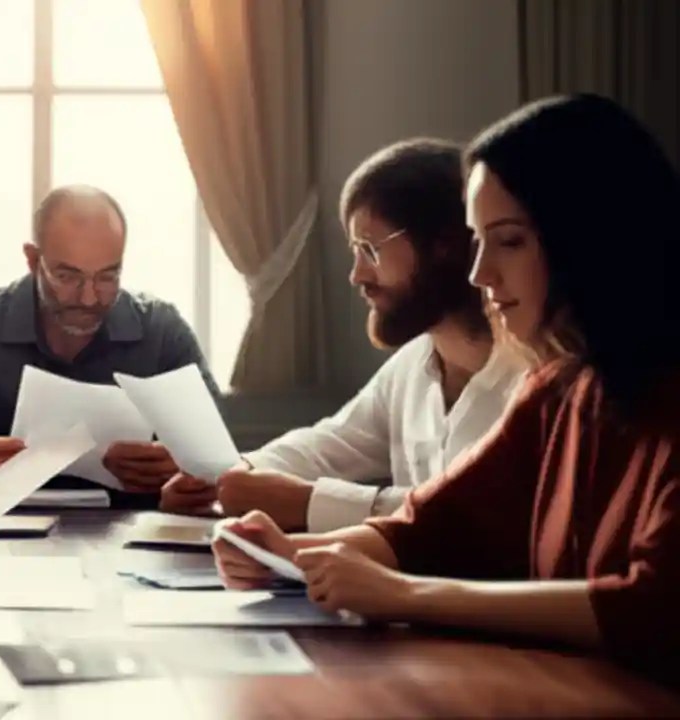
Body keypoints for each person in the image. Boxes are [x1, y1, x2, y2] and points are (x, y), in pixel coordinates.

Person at [213, 94, 680, 667]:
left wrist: (406, 594)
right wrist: (289, 554)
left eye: (508, 241)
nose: (480, 273)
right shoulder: (559, 390)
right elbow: (430, 524)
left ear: (590, 235)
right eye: (477, 241)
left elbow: (656, 610)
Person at [162, 139, 525, 531]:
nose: (357, 276)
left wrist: (309, 504)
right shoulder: (411, 365)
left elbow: (488, 515)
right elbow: (329, 445)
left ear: (445, 246)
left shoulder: (538, 376)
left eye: (370, 250)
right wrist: (230, 477)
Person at [0, 185, 220, 502]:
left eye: (107, 277)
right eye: (68, 277)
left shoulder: (162, 328)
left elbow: (215, 448)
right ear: (32, 260)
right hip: (3, 529)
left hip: (138, 526)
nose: (89, 298)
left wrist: (183, 466)